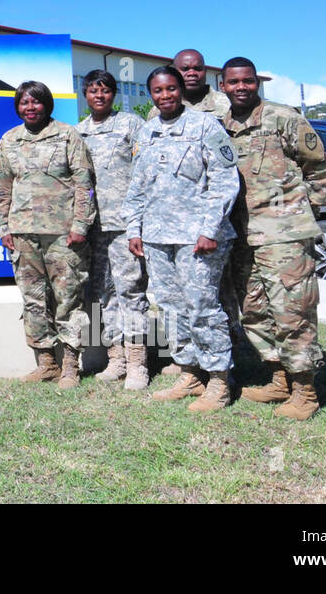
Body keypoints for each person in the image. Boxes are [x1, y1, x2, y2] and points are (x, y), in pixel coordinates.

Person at [220, 57, 326, 420]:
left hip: (284, 236)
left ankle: (305, 390)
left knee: (293, 310)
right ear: (222, 85)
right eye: (234, 82)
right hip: (242, 235)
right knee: (254, 310)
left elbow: (319, 167)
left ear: (257, 83)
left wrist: (304, 213)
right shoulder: (221, 126)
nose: (241, 87)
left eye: (248, 81)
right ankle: (278, 377)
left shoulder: (283, 118)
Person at [122, 66, 239, 412]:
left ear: (180, 91)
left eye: (171, 89)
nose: (165, 96)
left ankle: (219, 380)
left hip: (197, 238)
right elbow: (137, 186)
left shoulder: (205, 126)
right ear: (151, 94)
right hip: (157, 237)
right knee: (172, 309)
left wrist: (210, 228)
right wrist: (134, 229)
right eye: (158, 91)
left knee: (202, 306)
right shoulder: (147, 131)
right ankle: (190, 373)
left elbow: (224, 180)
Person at [0, 81, 96, 389]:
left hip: (63, 234)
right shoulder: (9, 140)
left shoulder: (67, 135)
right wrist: (3, 227)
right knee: (33, 299)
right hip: (23, 232)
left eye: (36, 102)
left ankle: (70, 365)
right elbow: (2, 187)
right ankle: (46, 362)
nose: (30, 107)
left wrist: (80, 225)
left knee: (68, 299)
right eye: (24, 103)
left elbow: (85, 184)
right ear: (18, 107)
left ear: (46, 105)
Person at [76, 69, 149, 389]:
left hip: (124, 225)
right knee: (101, 295)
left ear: (114, 94)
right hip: (92, 226)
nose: (99, 96)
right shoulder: (77, 133)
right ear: (85, 95)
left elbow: (148, 168)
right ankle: (115, 357)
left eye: (105, 90)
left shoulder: (131, 124)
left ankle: (137, 364)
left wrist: (141, 222)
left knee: (130, 292)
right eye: (93, 91)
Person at [173, 49, 230, 121]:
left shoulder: (228, 104)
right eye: (185, 69)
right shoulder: (163, 108)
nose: (192, 73)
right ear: (174, 72)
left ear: (205, 71)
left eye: (198, 69)